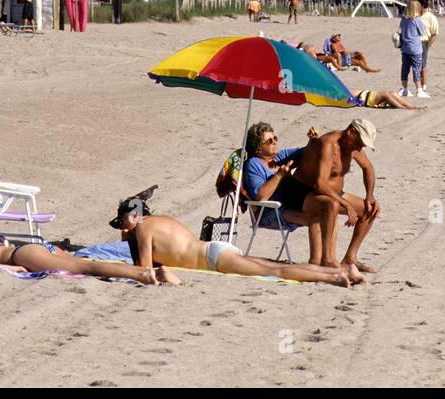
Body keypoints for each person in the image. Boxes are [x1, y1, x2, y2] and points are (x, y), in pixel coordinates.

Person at [115, 201, 352, 286]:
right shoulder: (160, 221)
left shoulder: (145, 228)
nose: (123, 228)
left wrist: (128, 237)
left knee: (278, 270)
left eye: (124, 222)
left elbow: (143, 268)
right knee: (274, 265)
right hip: (214, 250)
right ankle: (339, 271)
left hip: (212, 258)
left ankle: (335, 277)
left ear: (135, 215)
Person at [288, 119, 381, 282]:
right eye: (359, 143)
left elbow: (368, 167)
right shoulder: (328, 144)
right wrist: (346, 205)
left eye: (363, 145)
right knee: (332, 204)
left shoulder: (352, 146)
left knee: (370, 209)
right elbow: (320, 184)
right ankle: (327, 259)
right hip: (303, 191)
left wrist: (370, 196)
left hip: (333, 193)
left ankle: (350, 258)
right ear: (350, 133)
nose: (360, 148)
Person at [240, 122, 339, 265]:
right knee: (315, 218)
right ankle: (315, 262)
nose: (274, 142)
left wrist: (313, 140)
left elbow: (307, 152)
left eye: (275, 138)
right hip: (270, 211)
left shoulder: (281, 157)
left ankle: (329, 259)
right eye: (269, 141)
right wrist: (279, 175)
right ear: (258, 149)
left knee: (329, 211)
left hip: (290, 204)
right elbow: (260, 196)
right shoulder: (254, 164)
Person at [0, 233, 180, 286]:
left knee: (86, 266)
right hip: (32, 247)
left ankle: (147, 274)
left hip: (21, 254)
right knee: (87, 267)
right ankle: (147, 273)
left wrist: (12, 268)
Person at [397, 0, 426, 98]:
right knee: (416, 69)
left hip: (405, 48)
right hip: (415, 48)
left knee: (405, 69)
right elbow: (422, 32)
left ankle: (405, 89)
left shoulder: (403, 19)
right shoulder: (417, 19)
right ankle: (419, 90)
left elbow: (400, 30)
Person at [417, 0, 439, 98]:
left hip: (424, 42)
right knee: (413, 67)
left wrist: (427, 46)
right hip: (413, 43)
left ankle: (424, 88)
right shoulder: (415, 15)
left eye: (417, 4)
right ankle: (413, 88)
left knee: (423, 67)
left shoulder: (431, 17)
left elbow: (434, 34)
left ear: (422, 5)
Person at [352, 87, 422, 109]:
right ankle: (403, 107)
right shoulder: (344, 94)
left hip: (369, 94)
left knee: (393, 93)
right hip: (366, 98)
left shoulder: (344, 90)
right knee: (386, 96)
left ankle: (411, 106)